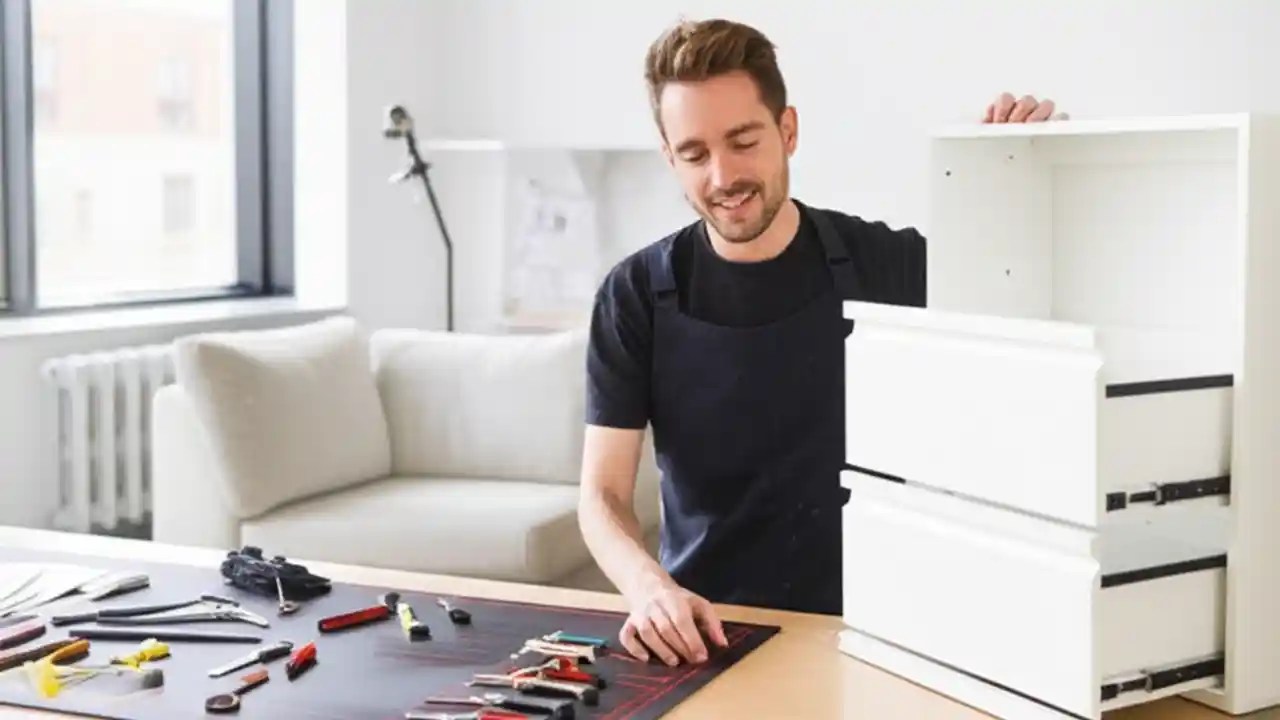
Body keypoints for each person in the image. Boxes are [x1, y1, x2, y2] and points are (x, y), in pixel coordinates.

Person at [576, 17, 1063, 667]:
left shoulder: (888, 264)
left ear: (788, 131)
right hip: (710, 633)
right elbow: (602, 495)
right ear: (671, 158)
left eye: (743, 141)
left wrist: (1027, 177)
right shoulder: (632, 295)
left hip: (882, 626)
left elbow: (1034, 305)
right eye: (694, 154)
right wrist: (648, 589)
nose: (722, 176)